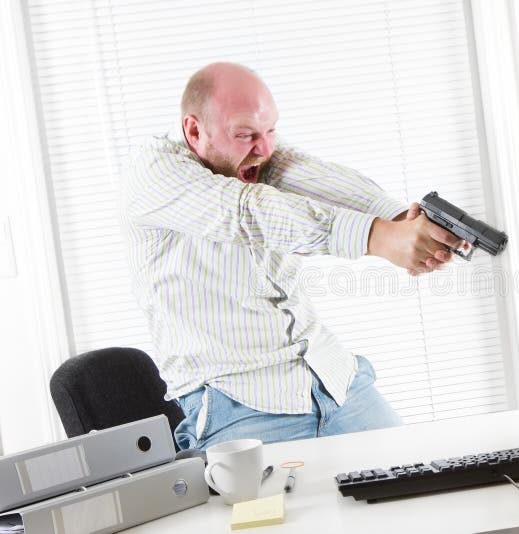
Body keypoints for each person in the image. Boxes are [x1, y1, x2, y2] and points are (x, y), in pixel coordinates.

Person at [121, 62, 464, 450]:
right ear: (195, 131)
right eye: (246, 134)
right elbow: (244, 213)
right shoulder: (152, 171)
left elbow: (306, 174)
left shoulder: (255, 156)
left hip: (336, 382)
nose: (264, 148)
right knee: (270, 512)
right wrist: (380, 238)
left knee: (423, 481)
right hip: (238, 406)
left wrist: (403, 219)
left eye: (270, 130)